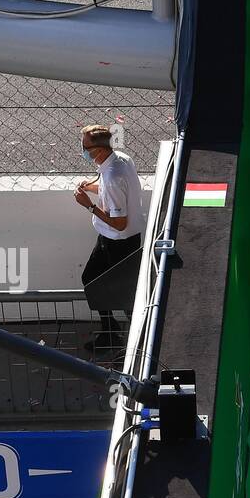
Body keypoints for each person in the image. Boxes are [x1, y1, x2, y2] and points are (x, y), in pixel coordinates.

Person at [74, 124, 145, 353]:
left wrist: (90, 206)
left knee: (122, 294)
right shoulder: (120, 160)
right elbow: (111, 189)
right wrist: (92, 186)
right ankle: (111, 329)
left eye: (85, 146)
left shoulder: (113, 177)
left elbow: (119, 222)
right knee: (94, 281)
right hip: (115, 238)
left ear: (100, 150)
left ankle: (132, 342)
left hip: (118, 241)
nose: (82, 149)